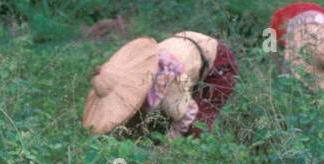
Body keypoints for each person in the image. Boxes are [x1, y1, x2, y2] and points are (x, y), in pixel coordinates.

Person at [82, 32, 238, 137]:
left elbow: (187, 114)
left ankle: (201, 161)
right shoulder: (136, 68)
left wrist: (169, 147)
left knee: (197, 125)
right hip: (185, 45)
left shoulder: (166, 84)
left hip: (217, 61)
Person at [269, 3, 324, 91]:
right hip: (287, 18)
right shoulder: (288, 31)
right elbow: (287, 65)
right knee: (285, 59)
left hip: (318, 13)